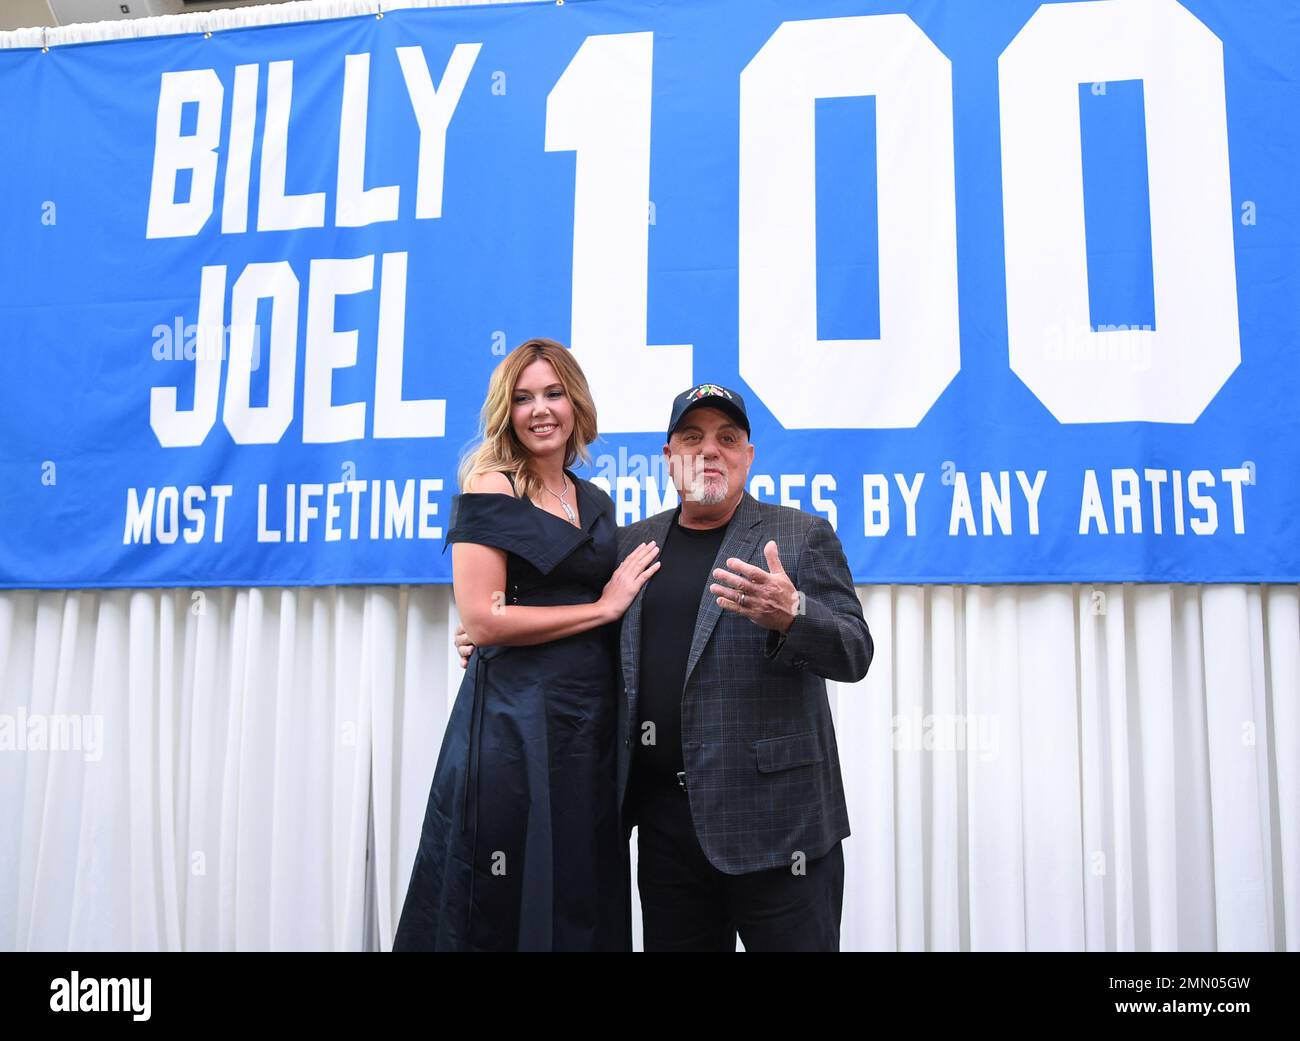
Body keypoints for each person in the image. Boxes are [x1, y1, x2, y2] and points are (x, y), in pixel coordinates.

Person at [457, 382, 874, 951]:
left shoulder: (800, 536)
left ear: (748, 456)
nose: (709, 450)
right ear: (667, 457)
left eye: (728, 438)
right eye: (691, 437)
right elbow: (587, 634)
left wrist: (793, 614)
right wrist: (498, 640)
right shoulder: (630, 545)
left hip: (781, 831)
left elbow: (855, 652)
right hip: (665, 834)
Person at [392, 338, 660, 951]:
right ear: (505, 411)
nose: (540, 410)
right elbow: (483, 621)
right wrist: (601, 606)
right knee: (507, 884)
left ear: (576, 404)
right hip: (514, 721)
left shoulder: (595, 501)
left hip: (589, 723)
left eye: (553, 393)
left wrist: (599, 613)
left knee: (579, 882)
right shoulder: (493, 484)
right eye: (523, 398)